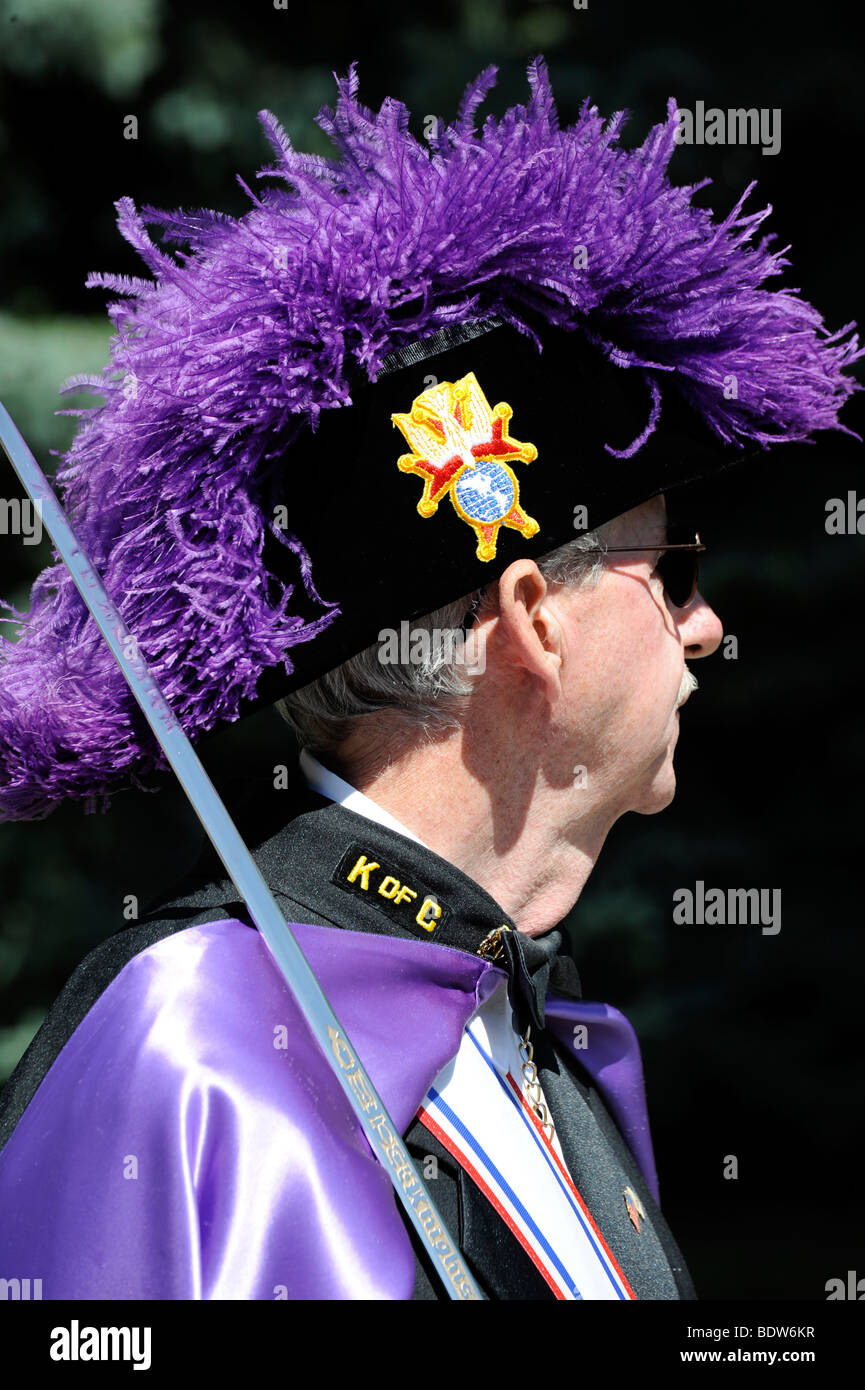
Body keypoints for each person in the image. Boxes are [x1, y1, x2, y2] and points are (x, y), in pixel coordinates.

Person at [0, 61, 859, 1301]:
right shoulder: (193, 1038)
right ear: (532, 621)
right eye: (670, 571)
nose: (709, 624)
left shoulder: (545, 1042)